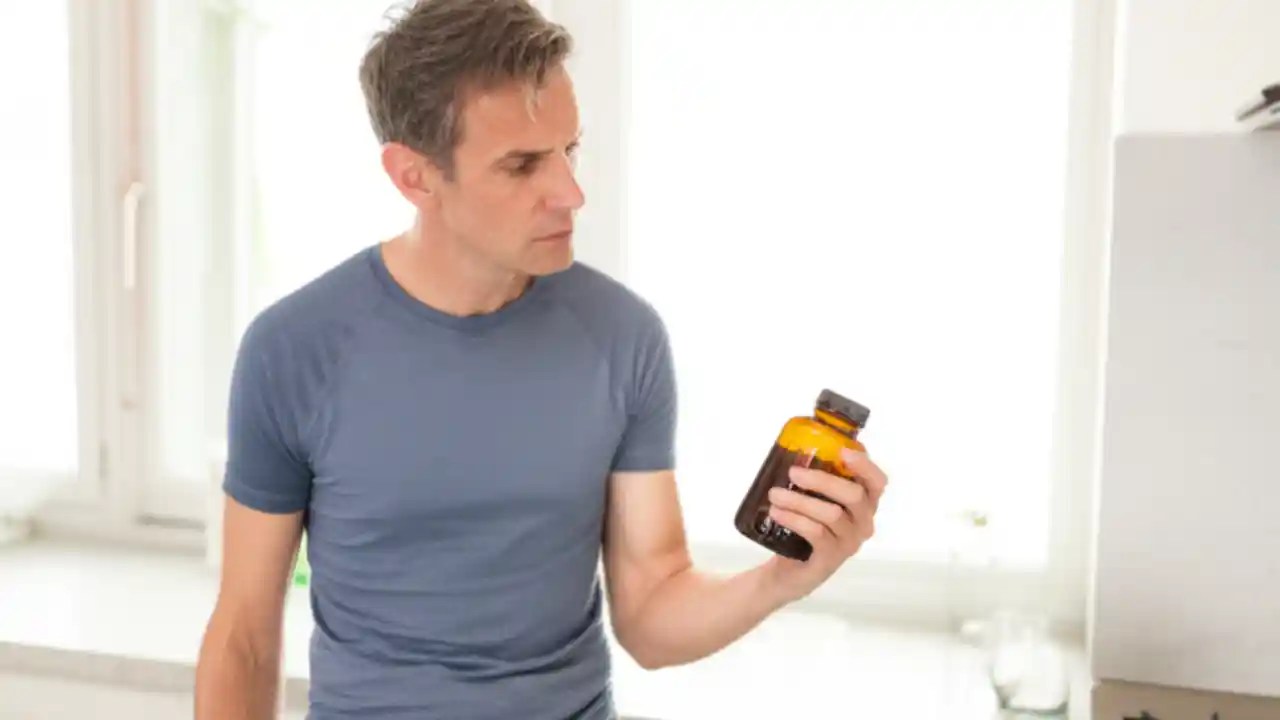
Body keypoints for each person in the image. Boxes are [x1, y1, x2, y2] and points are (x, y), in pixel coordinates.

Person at [193, 1, 889, 718]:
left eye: (570, 150)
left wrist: (783, 578)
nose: (570, 193)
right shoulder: (294, 349)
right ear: (415, 176)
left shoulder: (623, 338)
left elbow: (651, 613)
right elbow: (244, 633)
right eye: (523, 165)